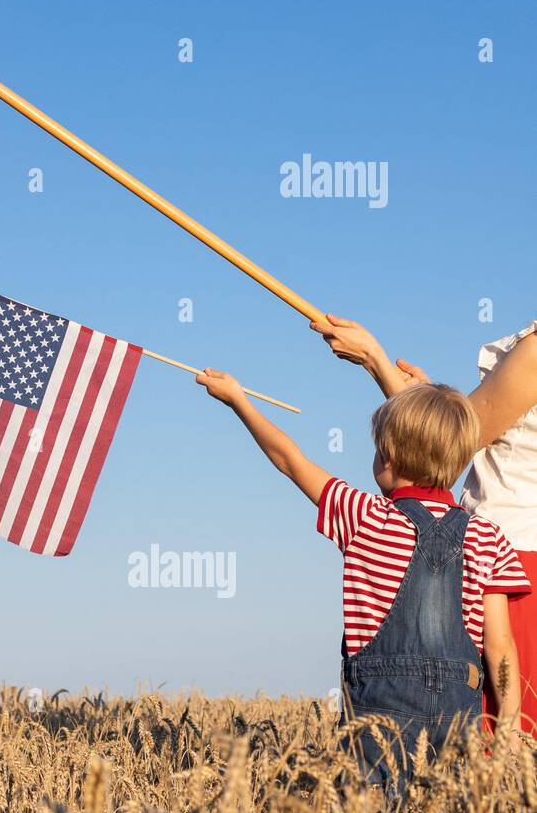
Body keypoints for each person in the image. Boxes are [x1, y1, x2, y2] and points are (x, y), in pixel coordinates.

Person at [197, 370, 528, 789]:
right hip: (459, 714)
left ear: (389, 457)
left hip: (379, 713)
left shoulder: (364, 516)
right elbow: (500, 647)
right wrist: (510, 730)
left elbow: (290, 461)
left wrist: (238, 401)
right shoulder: (488, 536)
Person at [313, 314, 537, 735]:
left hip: (516, 553)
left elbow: (448, 446)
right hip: (505, 556)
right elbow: (447, 438)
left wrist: (375, 360)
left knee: (487, 747)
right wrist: (428, 397)